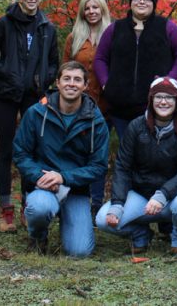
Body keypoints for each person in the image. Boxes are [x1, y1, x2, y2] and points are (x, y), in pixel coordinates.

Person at [0, 0, 60, 232]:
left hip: (33, 97)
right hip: (5, 94)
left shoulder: (47, 27)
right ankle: (5, 211)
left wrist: (44, 79)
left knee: (31, 151)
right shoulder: (4, 24)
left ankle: (29, 205)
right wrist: (7, 73)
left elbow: (54, 62)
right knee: (6, 150)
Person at [12, 61, 109, 256]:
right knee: (39, 208)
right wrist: (41, 177)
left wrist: (63, 177)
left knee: (79, 251)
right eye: (66, 78)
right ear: (57, 83)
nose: (71, 84)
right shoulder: (36, 113)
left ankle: (71, 225)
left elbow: (99, 166)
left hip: (76, 190)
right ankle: (38, 236)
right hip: (43, 186)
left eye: (77, 80)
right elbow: (20, 152)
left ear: (85, 86)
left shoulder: (96, 121)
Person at [95, 78, 177, 254]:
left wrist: (163, 194)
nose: (164, 102)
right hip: (142, 195)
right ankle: (141, 234)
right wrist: (118, 203)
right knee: (102, 220)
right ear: (151, 100)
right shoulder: (136, 127)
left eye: (170, 97)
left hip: (175, 196)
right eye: (158, 96)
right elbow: (123, 167)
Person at [94, 0, 177, 137]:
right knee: (126, 153)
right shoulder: (115, 29)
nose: (141, 2)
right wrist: (106, 83)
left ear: (153, 3)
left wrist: (167, 81)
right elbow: (100, 58)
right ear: (130, 2)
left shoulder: (167, 28)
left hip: (155, 108)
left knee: (150, 154)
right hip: (120, 108)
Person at [62, 0, 111, 206]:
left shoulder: (113, 34)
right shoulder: (74, 38)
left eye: (95, 7)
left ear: (102, 9)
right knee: (78, 151)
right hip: (78, 105)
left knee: (98, 154)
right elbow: (65, 69)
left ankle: (97, 202)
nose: (91, 11)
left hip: (106, 105)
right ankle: (75, 198)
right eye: (87, 8)